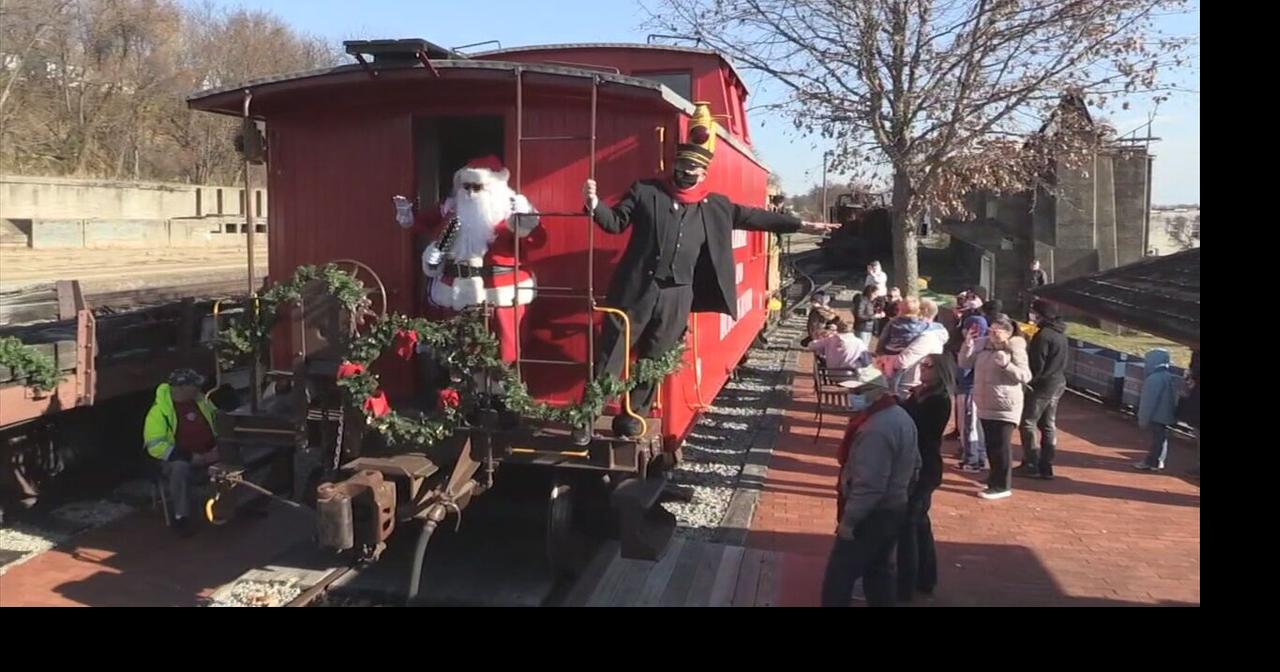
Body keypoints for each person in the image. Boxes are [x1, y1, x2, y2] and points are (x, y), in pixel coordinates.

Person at [581, 103, 835, 441]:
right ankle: (586, 417)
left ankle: (631, 418)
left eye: (694, 169)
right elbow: (614, 222)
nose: (687, 173)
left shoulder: (715, 206)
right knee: (612, 353)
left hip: (677, 296)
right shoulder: (646, 192)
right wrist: (595, 205)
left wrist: (801, 224)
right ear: (675, 166)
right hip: (635, 290)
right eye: (683, 166)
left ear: (704, 174)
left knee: (654, 358)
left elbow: (757, 217)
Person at [392, 155, 541, 363]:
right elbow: (424, 223)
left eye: (477, 187)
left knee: (505, 351)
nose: (470, 193)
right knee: (457, 350)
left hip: (500, 290)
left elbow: (538, 240)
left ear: (493, 187)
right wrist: (408, 216)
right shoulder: (452, 208)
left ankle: (503, 382)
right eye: (466, 186)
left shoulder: (510, 211)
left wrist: (526, 220)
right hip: (456, 289)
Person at [823, 371, 920, 607]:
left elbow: (870, 484)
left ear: (876, 392)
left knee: (839, 576)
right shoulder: (900, 417)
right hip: (894, 506)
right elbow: (916, 464)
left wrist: (849, 521)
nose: (852, 396)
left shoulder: (875, 429)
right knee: (879, 572)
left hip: (872, 513)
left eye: (858, 391)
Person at [897, 354, 955, 601]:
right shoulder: (920, 393)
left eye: (928, 366)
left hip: (925, 467)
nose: (922, 369)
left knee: (909, 523)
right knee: (919, 523)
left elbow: (921, 428)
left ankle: (905, 584)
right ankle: (925, 578)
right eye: (921, 364)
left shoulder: (939, 400)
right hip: (913, 463)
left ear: (940, 371)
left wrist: (904, 404)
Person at [959, 316, 1032, 499]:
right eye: (991, 329)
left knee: (1001, 445)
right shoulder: (983, 345)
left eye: (997, 330)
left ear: (1008, 333)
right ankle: (994, 478)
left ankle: (1002, 485)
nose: (992, 333)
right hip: (985, 402)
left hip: (1005, 404)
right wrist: (968, 345)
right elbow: (964, 363)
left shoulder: (1015, 347)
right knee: (991, 444)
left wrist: (1007, 365)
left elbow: (1025, 376)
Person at [143, 368, 219, 536]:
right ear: (181, 388)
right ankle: (181, 517)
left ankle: (230, 505)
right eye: (194, 385)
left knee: (233, 455)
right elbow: (155, 446)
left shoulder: (202, 401)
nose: (198, 388)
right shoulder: (158, 411)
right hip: (176, 459)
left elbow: (218, 422)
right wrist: (191, 457)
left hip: (208, 452)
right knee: (180, 468)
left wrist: (217, 447)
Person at [1014, 300, 1069, 480]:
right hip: (1057, 382)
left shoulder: (1043, 335)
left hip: (1042, 384)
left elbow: (1037, 364)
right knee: (1047, 424)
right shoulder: (1060, 333)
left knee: (1027, 423)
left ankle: (1031, 464)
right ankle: (1046, 465)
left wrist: (1029, 382)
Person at [883, 298, 948, 398]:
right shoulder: (932, 332)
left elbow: (902, 362)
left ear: (922, 312)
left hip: (907, 388)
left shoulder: (927, 337)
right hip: (912, 385)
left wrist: (887, 359)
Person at [1134, 349, 1178, 471]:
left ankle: (1152, 462)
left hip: (1156, 416)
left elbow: (1148, 401)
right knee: (1161, 439)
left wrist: (1142, 419)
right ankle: (1156, 462)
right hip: (1166, 415)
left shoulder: (1153, 379)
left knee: (1157, 440)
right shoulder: (1168, 376)